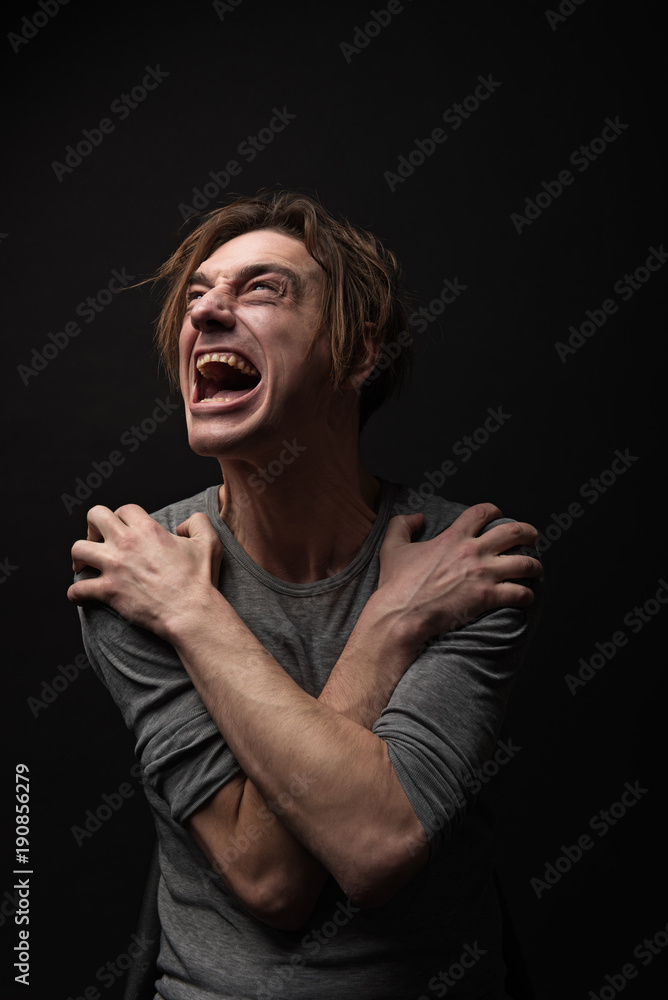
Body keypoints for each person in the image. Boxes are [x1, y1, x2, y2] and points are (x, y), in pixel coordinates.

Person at [68, 190, 543, 1000]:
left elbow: (375, 843)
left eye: (261, 289)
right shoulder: (139, 571)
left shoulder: (465, 559)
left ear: (359, 355)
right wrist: (391, 625)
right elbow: (270, 880)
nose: (208, 310)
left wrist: (192, 614)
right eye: (197, 295)